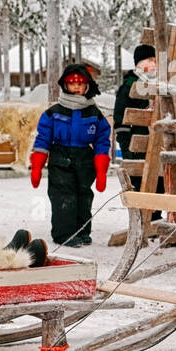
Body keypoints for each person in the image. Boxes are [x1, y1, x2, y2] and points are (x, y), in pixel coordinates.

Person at [30, 64, 111, 246]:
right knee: (63, 197)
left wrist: (101, 168)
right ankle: (64, 234)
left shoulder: (94, 113)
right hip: (61, 157)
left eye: (80, 83)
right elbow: (43, 138)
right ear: (65, 85)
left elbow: (102, 139)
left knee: (83, 196)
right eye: (72, 83)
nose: (76, 87)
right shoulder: (54, 113)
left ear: (87, 86)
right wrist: (37, 165)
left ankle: (82, 231)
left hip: (84, 159)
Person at [113, 45, 164, 218]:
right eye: (150, 60)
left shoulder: (158, 85)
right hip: (135, 142)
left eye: (155, 61)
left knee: (158, 179)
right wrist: (126, 142)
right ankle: (140, 219)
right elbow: (120, 116)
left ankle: (155, 217)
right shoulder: (129, 86)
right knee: (139, 179)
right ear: (140, 64)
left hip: (156, 141)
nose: (153, 64)